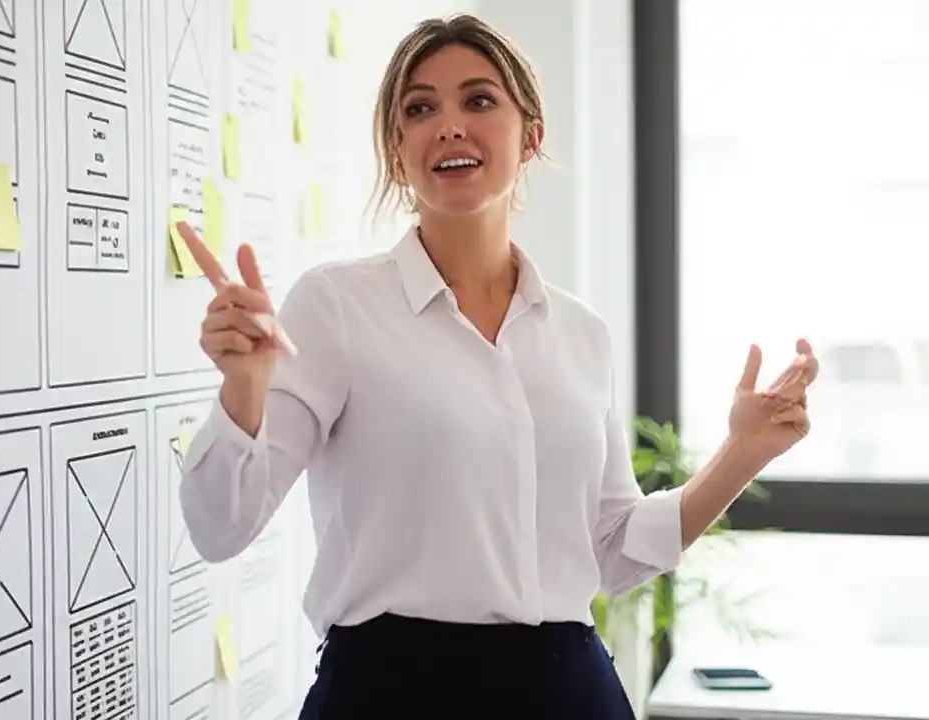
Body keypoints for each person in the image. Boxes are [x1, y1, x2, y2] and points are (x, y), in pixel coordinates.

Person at [173, 13, 818, 719]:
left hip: (569, 691)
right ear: (397, 149)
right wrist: (244, 388)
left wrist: (743, 452)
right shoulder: (334, 307)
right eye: (420, 109)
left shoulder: (581, 333)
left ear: (530, 133)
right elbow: (220, 528)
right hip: (390, 694)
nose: (449, 125)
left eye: (478, 100)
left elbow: (613, 550)